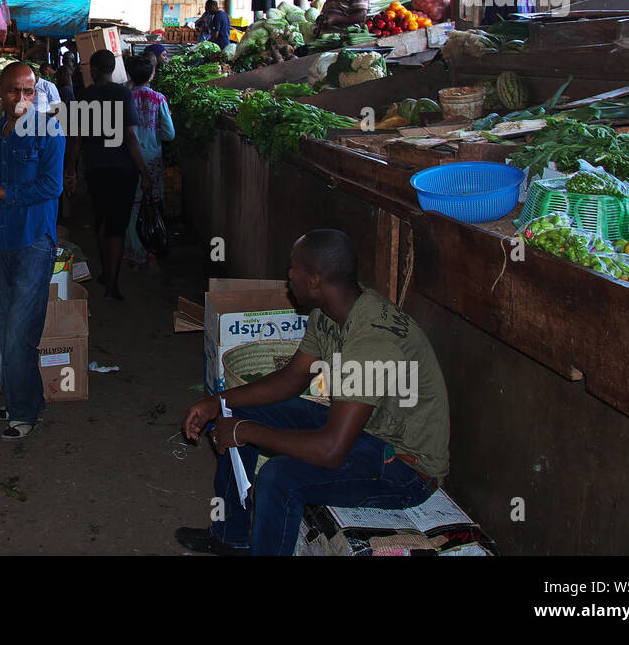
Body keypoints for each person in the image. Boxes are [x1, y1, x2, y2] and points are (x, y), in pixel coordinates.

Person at [176, 228, 450, 556]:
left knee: (279, 478)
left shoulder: (371, 342)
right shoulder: (330, 313)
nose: (288, 275)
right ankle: (231, 536)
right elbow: (292, 378)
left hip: (403, 468)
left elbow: (331, 450)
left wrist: (244, 432)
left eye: (294, 268)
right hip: (364, 433)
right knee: (239, 410)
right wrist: (218, 402)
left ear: (315, 279)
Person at [0, 62, 65, 442]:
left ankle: (23, 412)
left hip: (34, 241)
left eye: (29, 92)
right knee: (6, 325)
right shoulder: (1, 129)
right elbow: (1, 182)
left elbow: (51, 187)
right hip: (5, 237)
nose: (22, 99)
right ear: (0, 92)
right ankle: (24, 399)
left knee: (22, 329)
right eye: (14, 92)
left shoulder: (49, 129)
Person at [65, 50, 153, 301]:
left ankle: (106, 273)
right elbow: (131, 138)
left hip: (95, 169)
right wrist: (145, 174)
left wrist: (71, 172)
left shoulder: (84, 96)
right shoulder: (123, 93)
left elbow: (76, 141)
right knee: (116, 227)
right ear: (112, 69)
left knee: (102, 220)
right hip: (122, 169)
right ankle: (112, 282)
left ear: (92, 69)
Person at [123, 55, 175, 269]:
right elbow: (170, 134)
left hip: (128, 158)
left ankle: (134, 255)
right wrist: (154, 135)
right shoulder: (159, 99)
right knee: (151, 206)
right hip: (152, 160)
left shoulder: (124, 96)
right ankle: (151, 251)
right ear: (152, 74)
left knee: (132, 208)